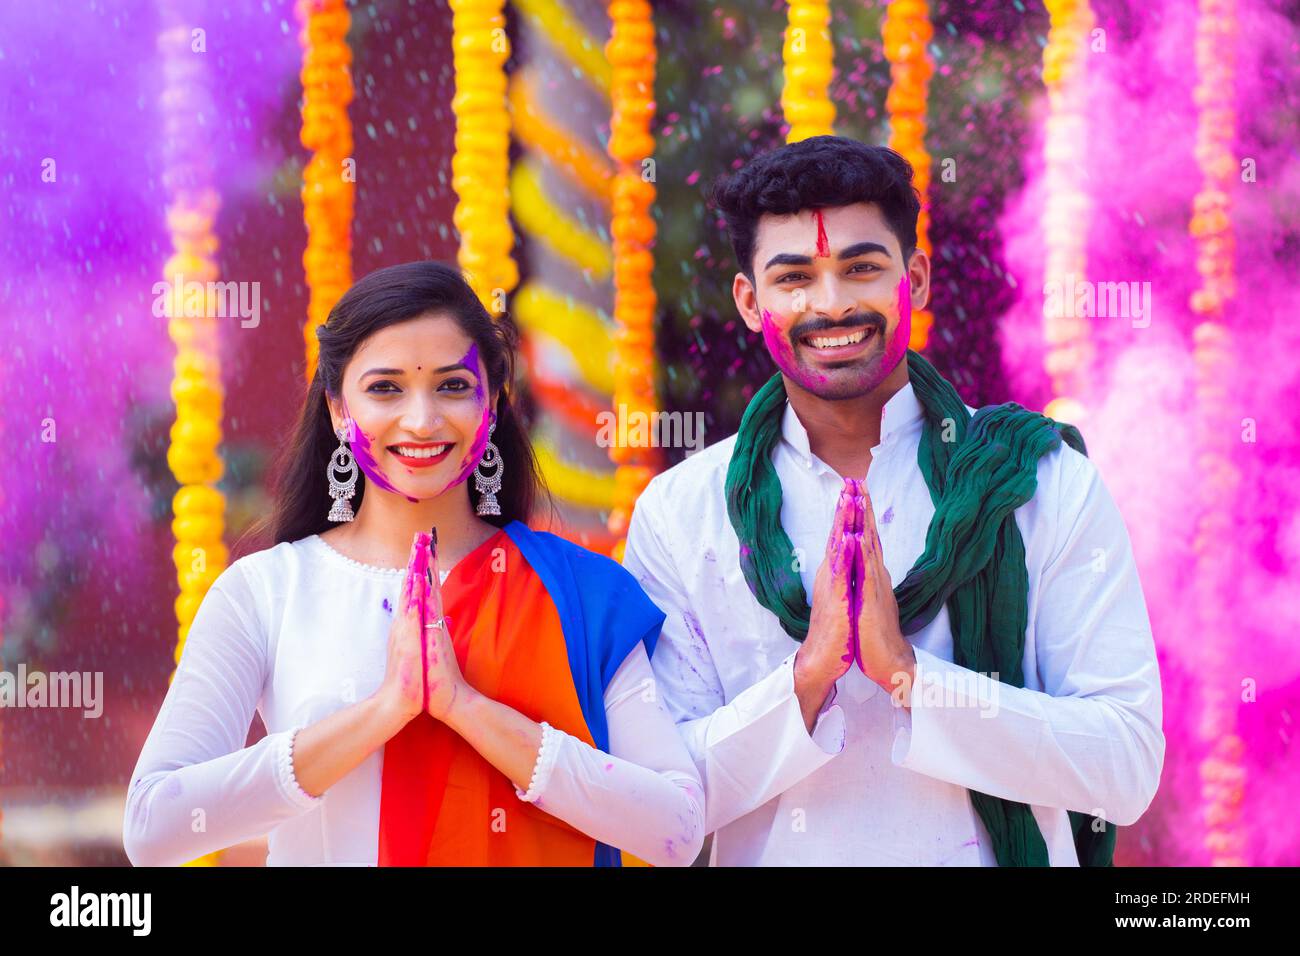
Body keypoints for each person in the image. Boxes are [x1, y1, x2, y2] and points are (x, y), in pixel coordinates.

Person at [621, 136, 1165, 866]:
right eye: (793, 278)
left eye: (861, 268)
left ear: (916, 276)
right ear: (750, 303)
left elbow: (1125, 767)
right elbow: (662, 806)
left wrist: (911, 677)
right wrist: (807, 681)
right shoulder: (682, 513)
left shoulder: (1038, 483)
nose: (832, 303)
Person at [123, 261, 704, 866]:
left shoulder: (581, 594)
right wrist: (382, 712)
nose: (422, 420)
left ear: (493, 403)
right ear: (338, 410)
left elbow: (676, 829)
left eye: (452, 385)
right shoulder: (267, 592)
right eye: (385, 388)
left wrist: (469, 710)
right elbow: (153, 827)